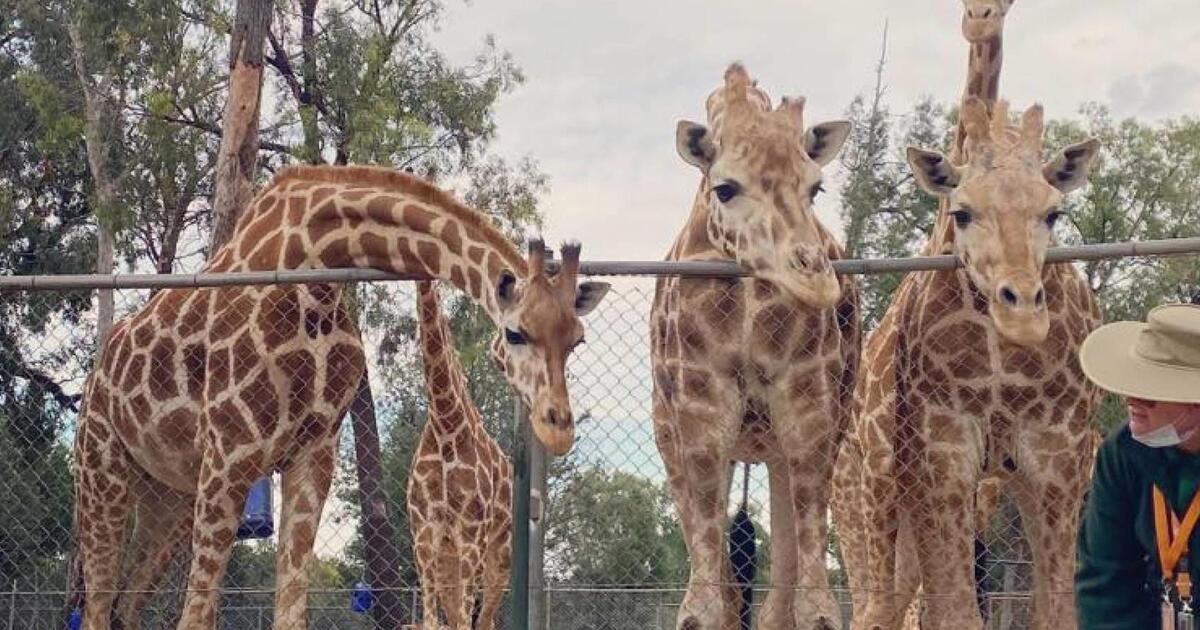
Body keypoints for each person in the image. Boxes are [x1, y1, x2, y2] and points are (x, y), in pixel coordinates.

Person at [1076, 302, 1200, 629]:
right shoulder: (1121, 454)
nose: (1132, 401)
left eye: (1150, 393)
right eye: (1131, 386)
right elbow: (1105, 583)